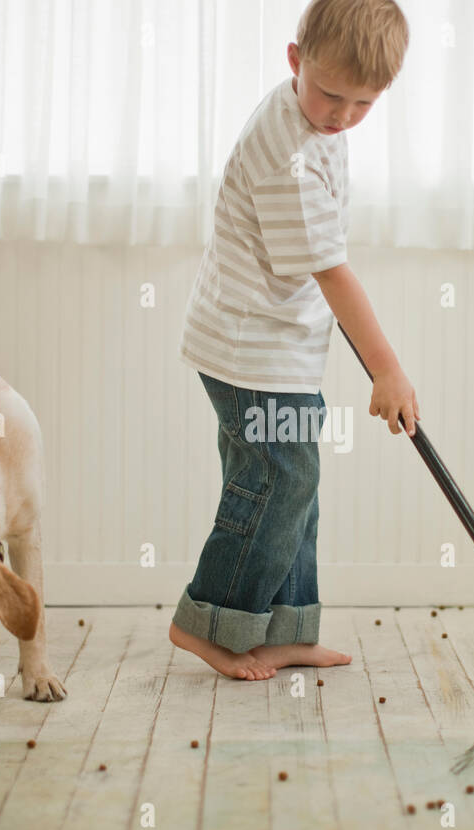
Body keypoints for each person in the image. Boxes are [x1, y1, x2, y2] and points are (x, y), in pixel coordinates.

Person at [172, 0, 416, 680]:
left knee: (292, 487)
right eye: (331, 94)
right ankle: (210, 621)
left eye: (363, 104)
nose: (341, 115)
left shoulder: (313, 121)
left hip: (280, 347)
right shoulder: (288, 156)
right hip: (249, 352)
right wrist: (386, 369)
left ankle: (284, 628)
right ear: (293, 61)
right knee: (278, 480)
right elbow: (332, 272)